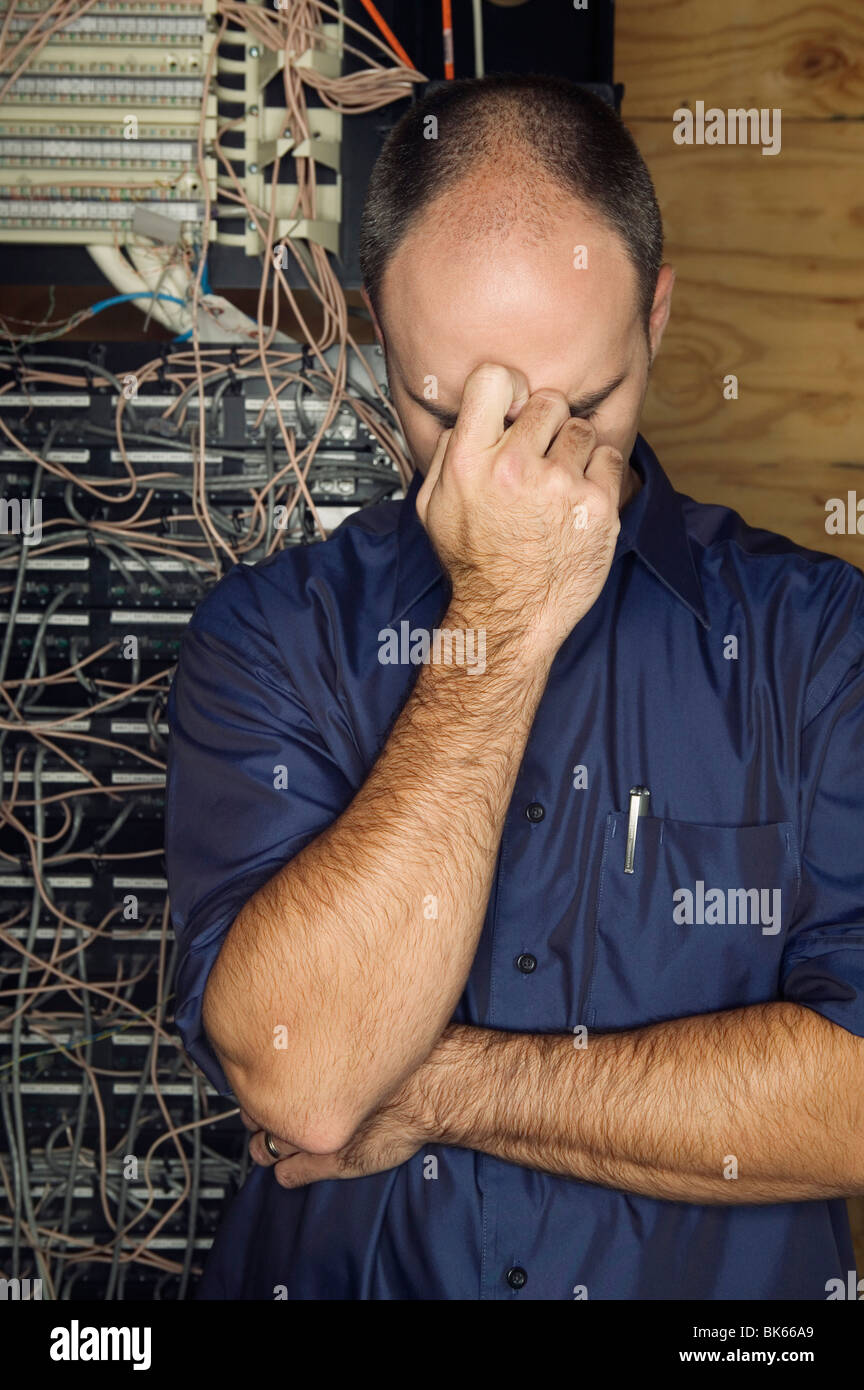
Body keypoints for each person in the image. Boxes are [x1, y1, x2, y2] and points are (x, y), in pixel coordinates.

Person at [165, 74, 864, 1300]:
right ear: (386, 352)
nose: (535, 469)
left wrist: (435, 1086)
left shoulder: (822, 644)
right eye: (456, 413)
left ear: (656, 315)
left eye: (581, 407)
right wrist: (500, 622)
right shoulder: (269, 638)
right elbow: (313, 1083)